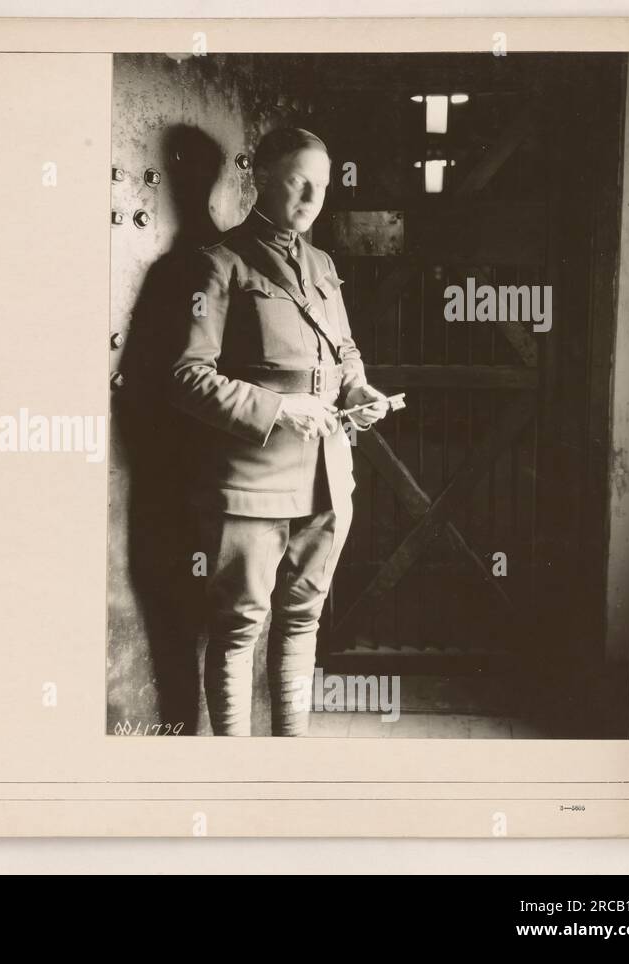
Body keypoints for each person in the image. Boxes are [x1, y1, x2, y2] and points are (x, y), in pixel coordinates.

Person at [169, 126, 389, 736]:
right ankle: (236, 779)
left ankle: (288, 765)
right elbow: (185, 376)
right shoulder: (218, 264)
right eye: (300, 181)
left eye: (322, 187)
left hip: (326, 478)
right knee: (239, 628)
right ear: (258, 177)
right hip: (252, 482)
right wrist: (277, 408)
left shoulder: (322, 264)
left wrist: (358, 389)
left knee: (302, 619)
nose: (314, 197)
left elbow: (343, 350)